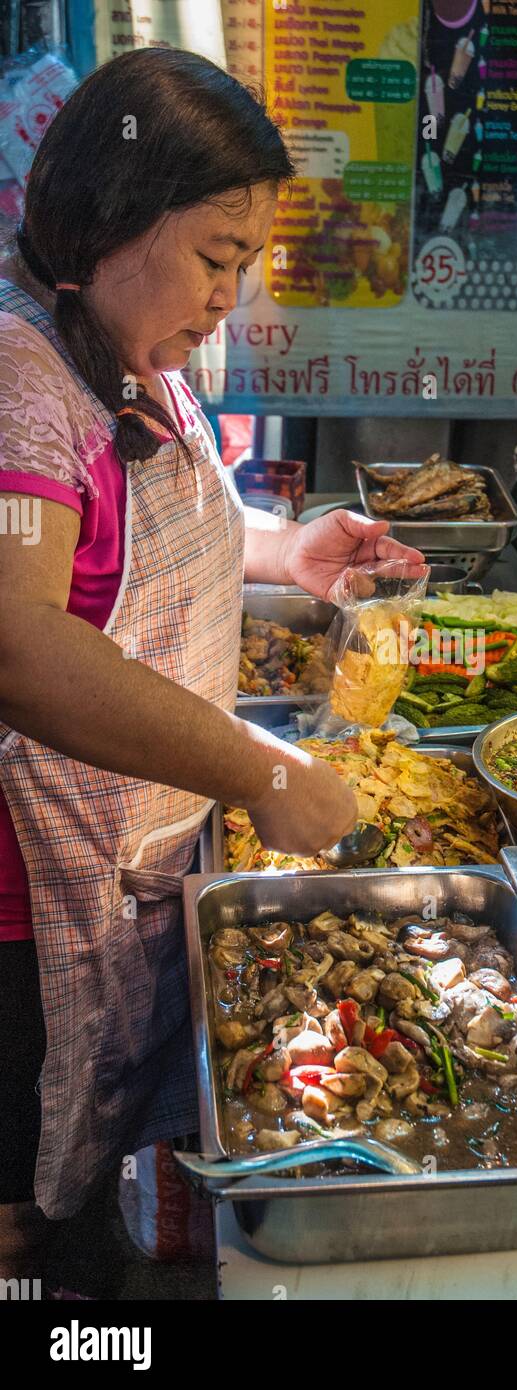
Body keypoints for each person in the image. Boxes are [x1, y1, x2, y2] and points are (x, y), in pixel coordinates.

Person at [0, 48, 424, 1288]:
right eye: (218, 256)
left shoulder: (129, 350)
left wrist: (288, 548)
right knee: (28, 1222)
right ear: (115, 219)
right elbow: (21, 639)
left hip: (122, 868)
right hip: (22, 922)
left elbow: (139, 538)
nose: (230, 296)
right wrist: (260, 771)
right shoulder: (20, 382)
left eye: (245, 265)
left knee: (76, 1201)